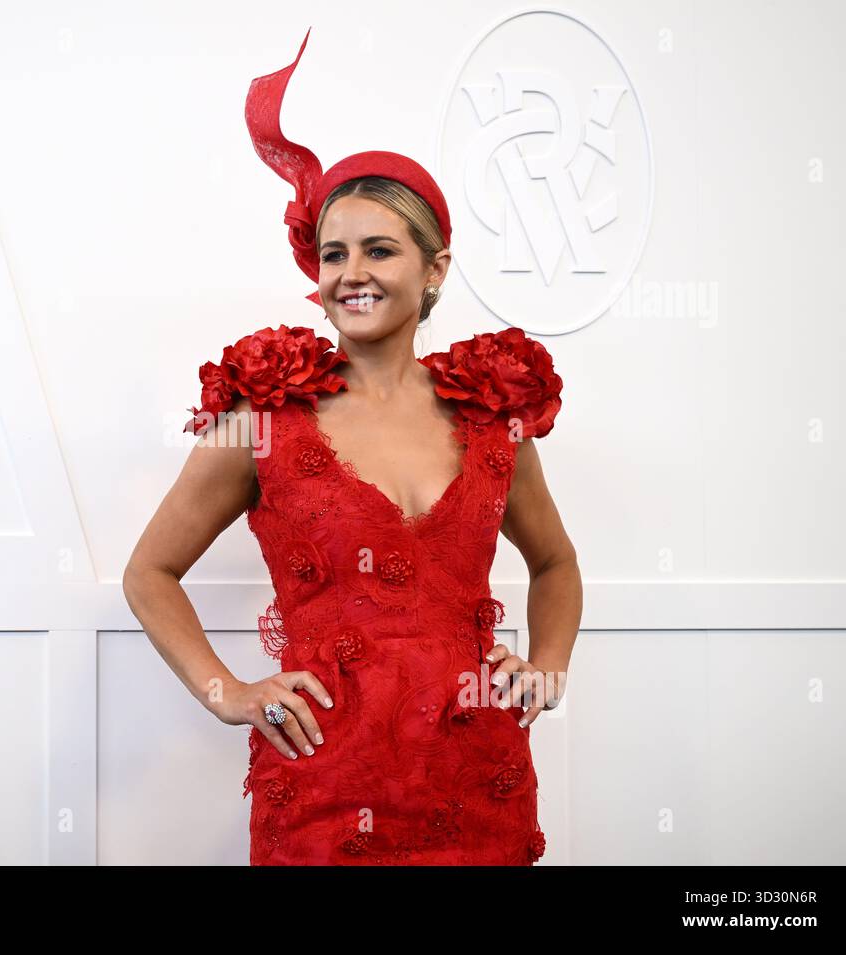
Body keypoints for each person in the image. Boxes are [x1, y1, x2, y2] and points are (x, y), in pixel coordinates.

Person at [122, 28, 582, 865]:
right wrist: (228, 692)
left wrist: (546, 666)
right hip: (321, 789)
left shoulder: (490, 412)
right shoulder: (268, 412)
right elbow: (148, 571)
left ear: (435, 268)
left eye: (379, 249)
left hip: (477, 784)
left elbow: (556, 563)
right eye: (334, 253)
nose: (350, 273)